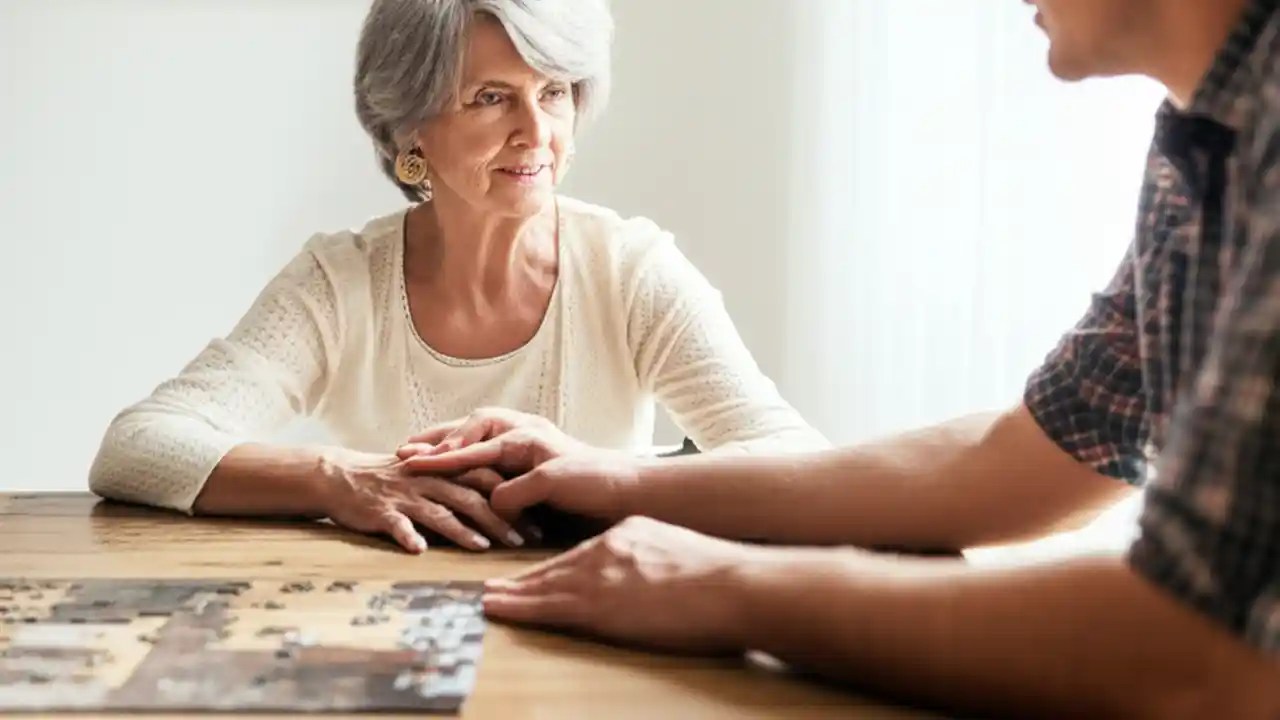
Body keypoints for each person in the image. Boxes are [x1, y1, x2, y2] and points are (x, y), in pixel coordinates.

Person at [399, 0, 1280, 716]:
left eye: (551, 93)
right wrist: (615, 478)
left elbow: (1199, 651)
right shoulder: (1205, 137)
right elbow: (1027, 460)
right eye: (490, 97)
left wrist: (731, 588)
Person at [86, 0, 826, 554]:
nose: (537, 134)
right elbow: (138, 446)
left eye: (554, 93)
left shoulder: (631, 270)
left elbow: (802, 466)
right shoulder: (338, 284)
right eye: (492, 97)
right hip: (387, 648)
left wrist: (600, 474)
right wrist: (344, 478)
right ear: (411, 128)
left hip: (600, 638)